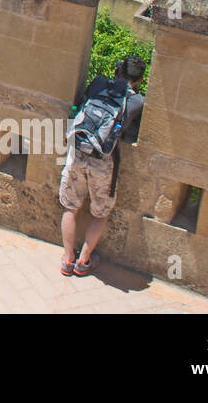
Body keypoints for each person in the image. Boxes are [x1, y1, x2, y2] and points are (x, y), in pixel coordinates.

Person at [58, 56, 146, 276]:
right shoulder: (137, 102)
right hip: (103, 161)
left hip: (77, 152)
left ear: (118, 70)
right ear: (140, 80)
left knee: (70, 207)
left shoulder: (98, 83)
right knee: (101, 213)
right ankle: (84, 261)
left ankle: (68, 260)